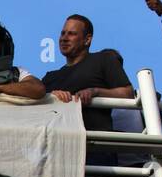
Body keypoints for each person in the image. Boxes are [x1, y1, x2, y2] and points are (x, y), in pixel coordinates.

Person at [42, 16, 133, 162]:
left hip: (95, 148)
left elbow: (127, 94)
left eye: (71, 34)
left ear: (87, 40)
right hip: (57, 151)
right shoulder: (50, 77)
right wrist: (51, 96)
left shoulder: (103, 60)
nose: (64, 38)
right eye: (63, 33)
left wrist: (95, 92)